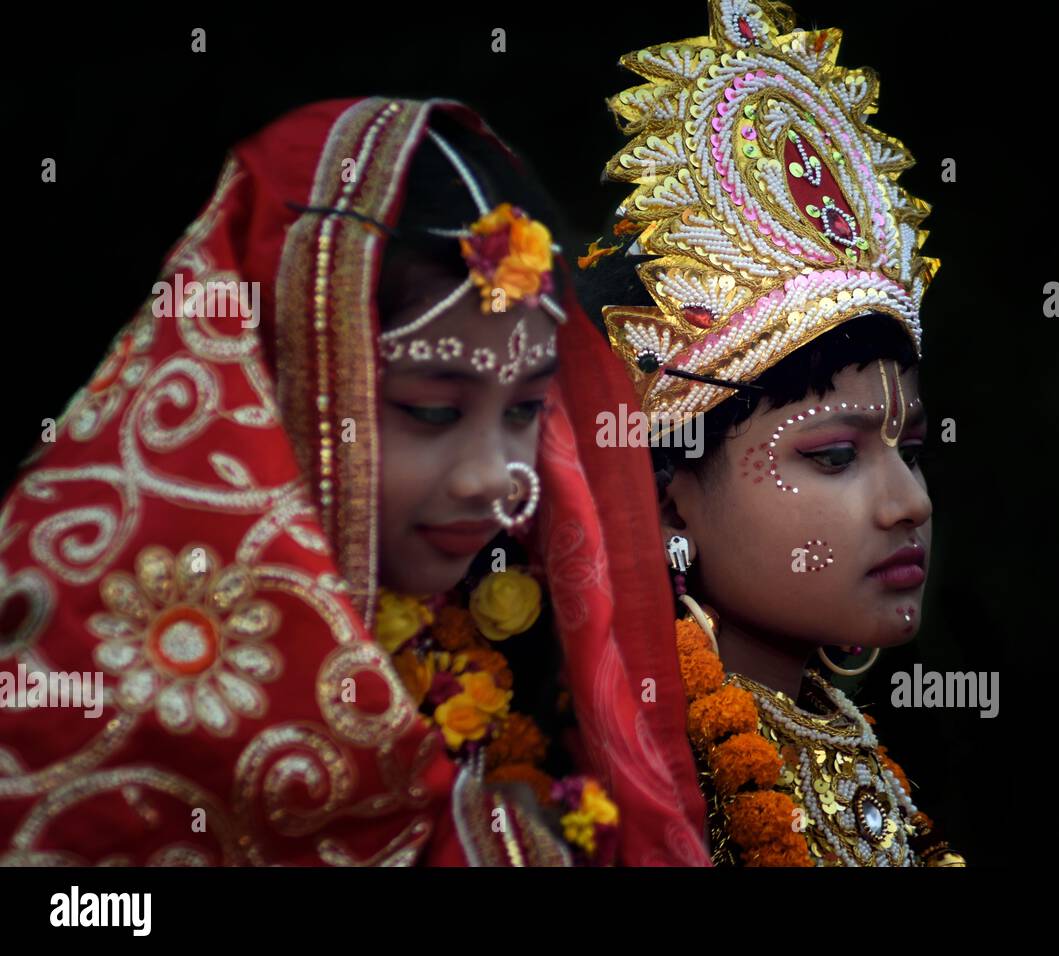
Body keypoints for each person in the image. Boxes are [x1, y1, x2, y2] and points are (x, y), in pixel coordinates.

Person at [0, 97, 709, 866]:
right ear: (277, 378)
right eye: (432, 411)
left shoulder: (524, 647)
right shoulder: (96, 665)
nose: (493, 477)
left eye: (527, 409)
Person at [580, 0, 967, 866]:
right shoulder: (620, 796)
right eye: (833, 455)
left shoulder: (848, 744)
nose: (909, 503)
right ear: (670, 501)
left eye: (910, 453)